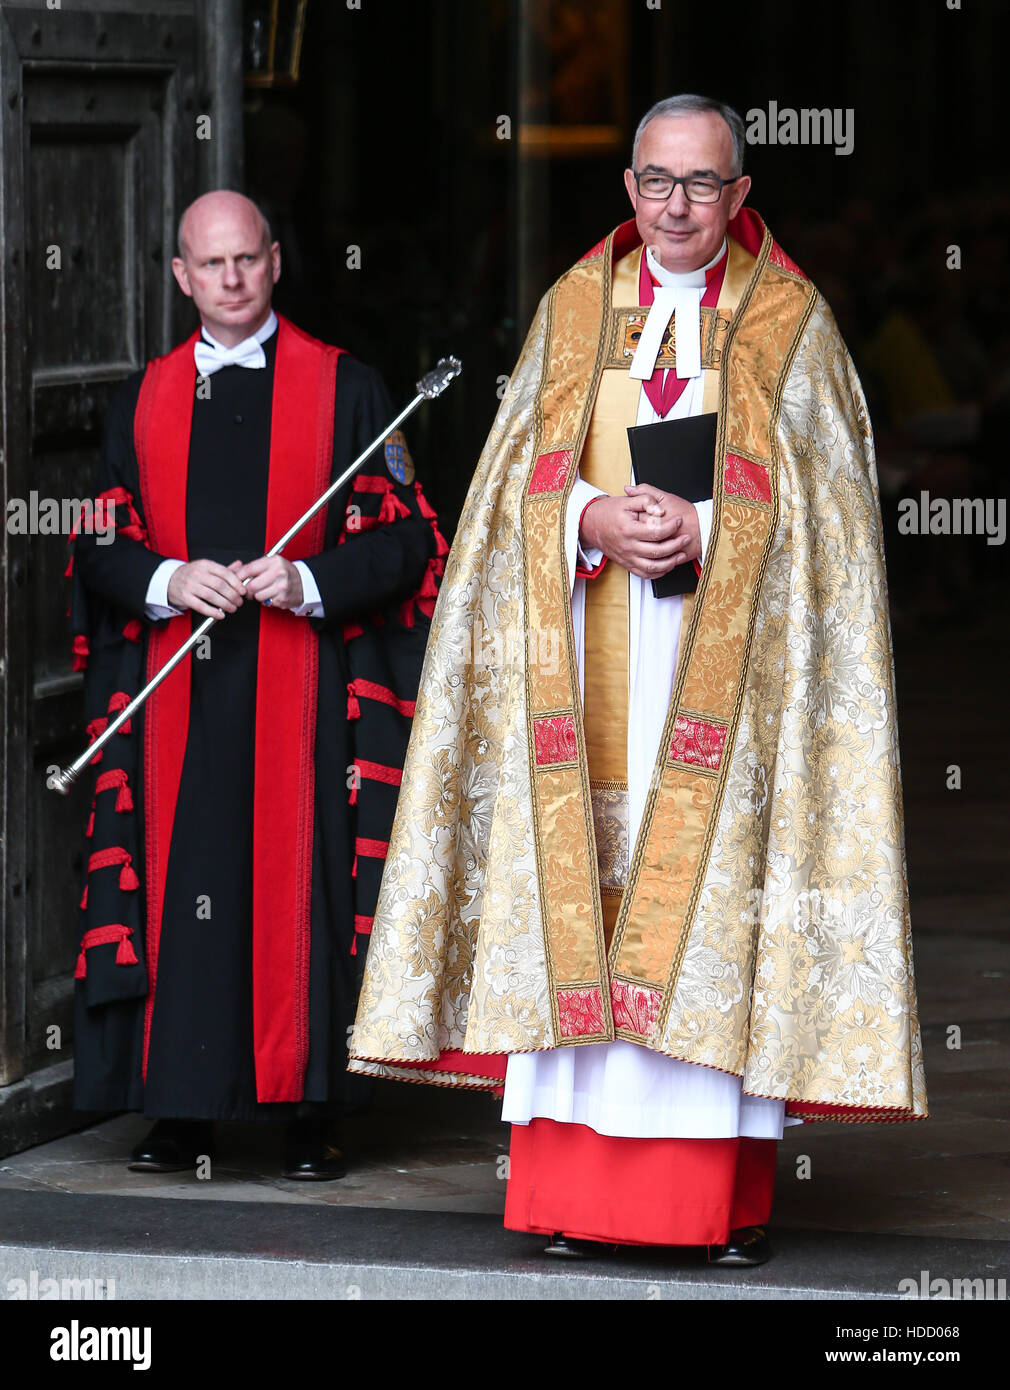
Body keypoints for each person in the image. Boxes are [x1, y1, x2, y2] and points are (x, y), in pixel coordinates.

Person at [348, 94, 927, 1261]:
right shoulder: (571, 314)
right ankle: (569, 1199)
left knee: (704, 921)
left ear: (739, 196)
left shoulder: (789, 328)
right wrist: (587, 517)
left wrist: (712, 530)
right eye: (656, 182)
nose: (676, 206)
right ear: (626, 188)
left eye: (701, 185)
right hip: (585, 667)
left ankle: (706, 1208)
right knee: (584, 913)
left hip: (722, 699)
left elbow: (837, 532)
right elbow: (505, 495)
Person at [68, 191, 446, 1178]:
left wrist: (309, 578)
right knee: (182, 890)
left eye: (247, 259)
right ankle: (177, 1112)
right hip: (176, 689)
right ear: (181, 276)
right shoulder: (140, 397)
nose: (230, 280)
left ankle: (308, 1116)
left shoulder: (350, 388)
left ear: (274, 262)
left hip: (302, 685)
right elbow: (99, 536)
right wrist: (167, 578)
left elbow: (408, 535)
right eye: (210, 264)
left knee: (304, 893)